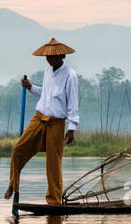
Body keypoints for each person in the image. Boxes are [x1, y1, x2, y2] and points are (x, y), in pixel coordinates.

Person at [5, 38, 79, 204]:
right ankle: (13, 185)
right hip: (39, 117)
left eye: (53, 57)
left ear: (62, 57)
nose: (50, 60)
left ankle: (54, 200)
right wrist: (30, 87)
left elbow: (73, 103)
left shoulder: (70, 76)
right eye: (48, 57)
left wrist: (72, 127)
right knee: (18, 149)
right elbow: (45, 93)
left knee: (53, 162)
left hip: (56, 122)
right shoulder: (47, 71)